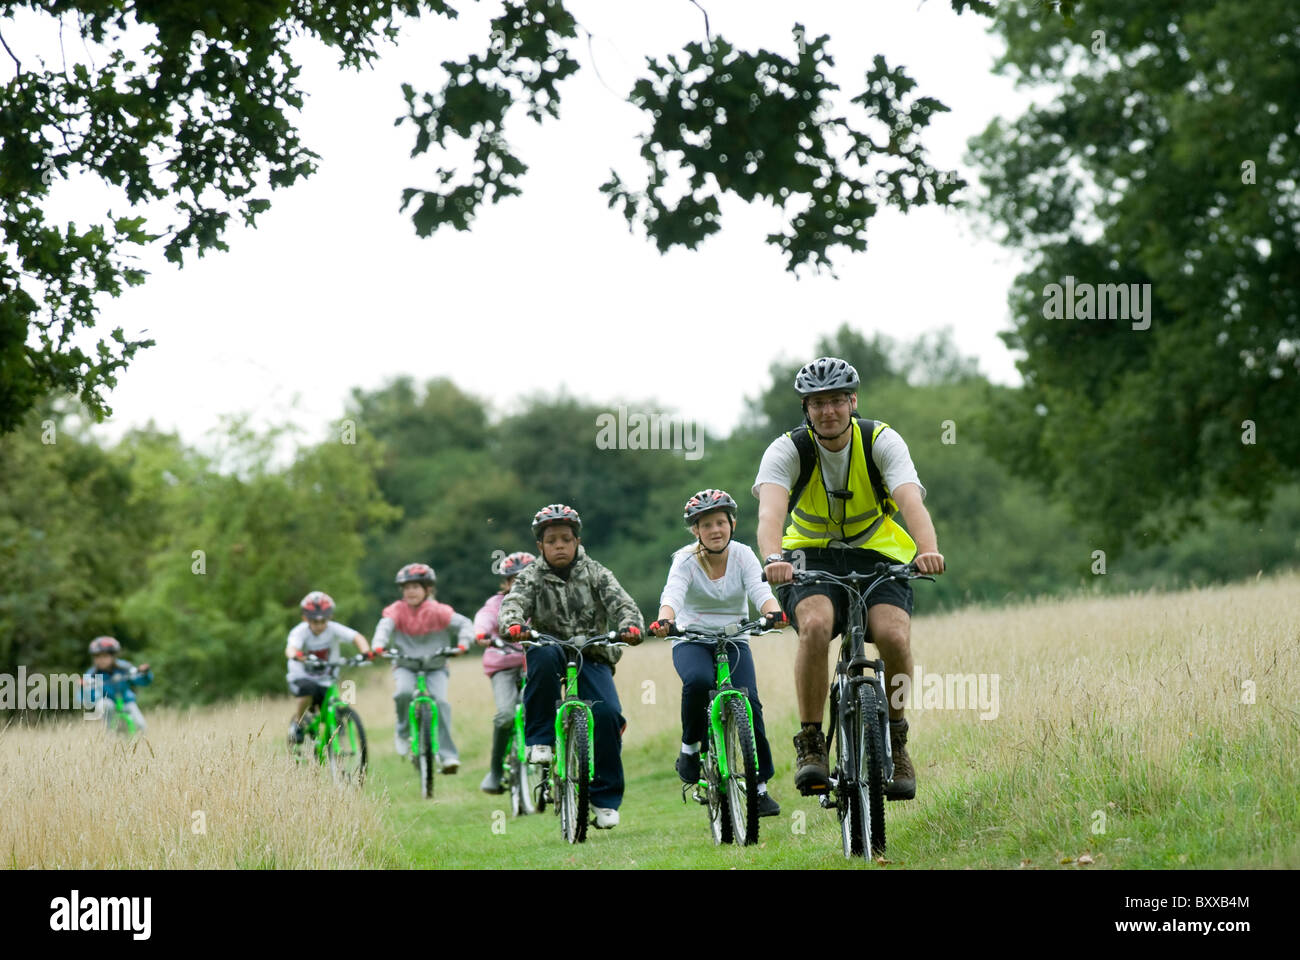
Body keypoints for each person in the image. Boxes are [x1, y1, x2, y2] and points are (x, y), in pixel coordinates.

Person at [753, 356, 946, 799]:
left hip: (877, 549)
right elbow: (770, 513)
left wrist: (928, 549)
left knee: (893, 636)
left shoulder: (881, 439)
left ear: (852, 401)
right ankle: (811, 742)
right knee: (816, 625)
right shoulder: (787, 450)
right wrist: (772, 557)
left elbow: (909, 500)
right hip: (809, 555)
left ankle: (896, 740)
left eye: (837, 400)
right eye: (817, 403)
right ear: (806, 408)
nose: (828, 411)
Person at [498, 504, 644, 830]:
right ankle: (541, 740)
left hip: (592, 653)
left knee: (607, 715)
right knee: (542, 655)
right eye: (552, 541)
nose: (559, 545)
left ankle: (604, 800)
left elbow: (623, 604)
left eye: (566, 538)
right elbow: (513, 604)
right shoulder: (530, 576)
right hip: (551, 648)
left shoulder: (597, 573)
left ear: (577, 540)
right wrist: (512, 624)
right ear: (541, 546)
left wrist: (631, 626)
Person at [650, 488, 786, 817]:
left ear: (732, 524)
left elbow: (759, 588)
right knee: (697, 682)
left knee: (750, 702)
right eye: (706, 524)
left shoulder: (743, 555)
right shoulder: (685, 559)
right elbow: (673, 593)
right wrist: (666, 619)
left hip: (735, 637)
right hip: (691, 638)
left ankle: (760, 787)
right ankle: (690, 749)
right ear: (696, 531)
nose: (715, 530)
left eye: (720, 522)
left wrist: (774, 613)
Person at [372, 562, 474, 771]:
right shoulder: (396, 610)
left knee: (441, 703)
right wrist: (378, 645)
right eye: (406, 587)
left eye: (416, 587)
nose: (410, 591)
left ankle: (447, 756)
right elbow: (384, 627)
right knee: (403, 693)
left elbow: (465, 624)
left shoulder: (438, 611)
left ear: (428, 589)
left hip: (435, 666)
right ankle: (402, 731)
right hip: (405, 665)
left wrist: (464, 643)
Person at [473, 551, 536, 794]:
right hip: (503, 665)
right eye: (513, 580)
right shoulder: (496, 604)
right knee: (506, 715)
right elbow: (484, 619)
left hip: (535, 663)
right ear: (506, 583)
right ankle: (496, 770)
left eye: (525, 578)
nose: (519, 584)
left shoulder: (544, 601)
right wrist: (482, 634)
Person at [285, 591, 372, 746]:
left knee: (338, 704)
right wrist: (296, 655)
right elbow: (291, 649)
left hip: (327, 679)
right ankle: (298, 724)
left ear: (329, 617)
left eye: (323, 621)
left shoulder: (333, 629)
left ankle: (336, 734)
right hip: (302, 677)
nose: (320, 625)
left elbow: (357, 637)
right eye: (315, 622)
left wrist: (365, 653)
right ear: (306, 618)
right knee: (308, 690)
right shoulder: (299, 632)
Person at [82, 636, 153, 734]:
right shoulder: (91, 674)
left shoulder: (125, 668)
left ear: (113, 656)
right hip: (108, 703)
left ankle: (140, 746)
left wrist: (144, 673)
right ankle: (108, 734)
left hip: (126, 701)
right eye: (97, 656)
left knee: (141, 726)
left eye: (105, 656)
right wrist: (84, 687)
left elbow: (141, 680)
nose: (101, 660)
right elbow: (85, 698)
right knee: (106, 705)